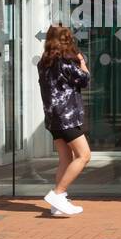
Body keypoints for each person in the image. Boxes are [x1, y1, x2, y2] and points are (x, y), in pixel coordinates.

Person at [37, 24, 91, 218]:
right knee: (84, 155)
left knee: (65, 158)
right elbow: (84, 79)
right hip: (67, 117)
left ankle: (58, 204)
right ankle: (58, 194)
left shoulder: (44, 62)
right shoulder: (66, 62)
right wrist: (82, 62)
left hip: (53, 118)